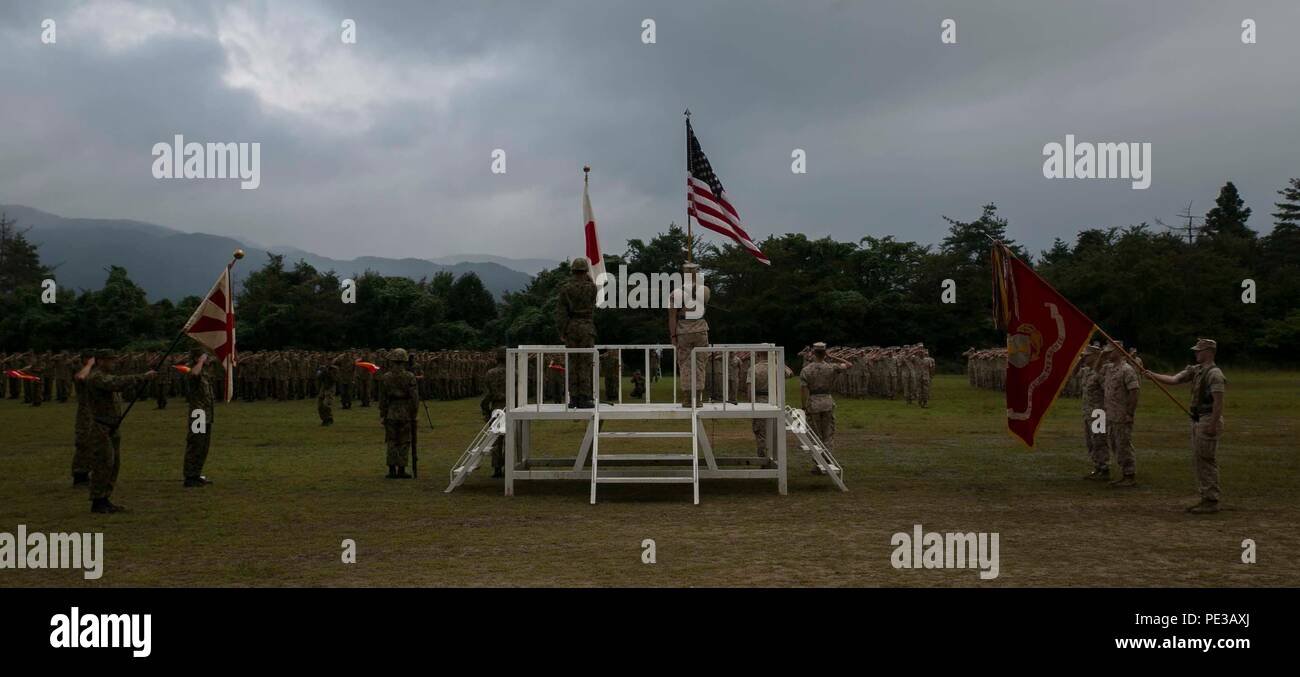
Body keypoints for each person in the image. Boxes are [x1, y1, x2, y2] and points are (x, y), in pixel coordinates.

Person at [1143, 338, 1227, 514]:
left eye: (1199, 350)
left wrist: (1212, 424)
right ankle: (1206, 497)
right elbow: (1174, 380)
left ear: (1209, 352)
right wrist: (1152, 375)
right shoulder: (1196, 370)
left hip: (1207, 419)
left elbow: (1219, 402)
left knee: (1206, 460)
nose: (1196, 352)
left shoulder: (1214, 374)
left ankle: (1211, 500)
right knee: (1198, 460)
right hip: (1197, 419)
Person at [84, 350, 156, 513]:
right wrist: (142, 377)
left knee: (113, 464)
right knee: (103, 463)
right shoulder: (96, 376)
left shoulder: (105, 375)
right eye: (111, 360)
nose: (114, 363)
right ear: (100, 361)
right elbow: (115, 383)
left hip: (112, 426)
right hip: (100, 427)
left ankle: (105, 497)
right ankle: (98, 500)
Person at [799, 342, 850, 474]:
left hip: (813, 402)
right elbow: (849, 364)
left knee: (816, 436)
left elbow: (804, 389)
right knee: (828, 434)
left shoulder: (807, 369)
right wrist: (832, 357)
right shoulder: (831, 367)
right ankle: (828, 462)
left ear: (814, 353)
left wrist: (804, 406)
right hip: (827, 401)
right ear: (825, 353)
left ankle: (817, 464)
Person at [556, 258, 598, 408]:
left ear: (572, 271)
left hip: (572, 327)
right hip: (587, 327)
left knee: (573, 363)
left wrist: (562, 330)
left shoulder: (565, 289)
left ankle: (573, 398)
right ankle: (585, 397)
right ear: (586, 271)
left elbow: (561, 313)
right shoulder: (592, 288)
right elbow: (593, 298)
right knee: (586, 363)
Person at [669, 262, 710, 406]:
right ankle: (698, 398)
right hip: (700, 329)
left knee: (685, 364)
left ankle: (687, 398)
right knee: (700, 364)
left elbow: (672, 317)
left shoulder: (675, 293)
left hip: (683, 330)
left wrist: (673, 337)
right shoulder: (705, 290)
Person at [1102, 341, 1140, 488]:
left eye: (1110, 351)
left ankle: (1129, 475)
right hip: (1111, 414)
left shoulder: (1127, 370)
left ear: (1118, 351)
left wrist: (1130, 413)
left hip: (1122, 415)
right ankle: (1124, 473)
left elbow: (1134, 392)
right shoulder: (1110, 369)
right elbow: (1096, 368)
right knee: (1115, 445)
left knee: (1124, 444)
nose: (1107, 354)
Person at [379, 348, 419, 479]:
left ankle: (391, 469)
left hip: (391, 411)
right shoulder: (409, 376)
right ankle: (401, 469)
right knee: (404, 440)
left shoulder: (386, 377)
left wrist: (383, 414)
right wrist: (414, 413)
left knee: (391, 440)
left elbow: (383, 398)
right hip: (405, 411)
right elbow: (414, 397)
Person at [182, 349, 215, 487]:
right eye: (204, 357)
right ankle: (190, 477)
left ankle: (196, 474)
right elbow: (194, 373)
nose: (207, 359)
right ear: (197, 359)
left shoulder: (205, 373)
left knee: (203, 447)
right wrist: (200, 361)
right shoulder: (192, 370)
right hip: (198, 415)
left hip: (206, 415)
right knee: (195, 445)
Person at [1079, 344, 1110, 480]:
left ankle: (1104, 469)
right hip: (1088, 412)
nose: (1084, 357)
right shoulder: (1086, 371)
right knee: (1090, 441)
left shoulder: (1102, 372)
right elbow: (1072, 375)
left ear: (1095, 356)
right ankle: (1097, 466)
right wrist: (1080, 360)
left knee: (1099, 440)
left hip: (1098, 412)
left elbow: (1108, 392)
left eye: (1086, 355)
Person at [481, 348, 508, 478]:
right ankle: (509, 467)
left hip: (496, 408)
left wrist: (485, 411)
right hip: (510, 408)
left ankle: (497, 468)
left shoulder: (490, 373)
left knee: (496, 439)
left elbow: (486, 396)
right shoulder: (514, 372)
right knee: (510, 440)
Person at [71, 351, 95, 486]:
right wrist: (90, 365)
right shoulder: (83, 371)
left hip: (94, 412)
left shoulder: (93, 373)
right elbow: (80, 377)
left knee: (92, 444)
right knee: (84, 443)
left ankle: (86, 473)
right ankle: (80, 475)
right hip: (85, 414)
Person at [316, 357, 339, 426]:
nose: (329, 362)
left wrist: (328, 372)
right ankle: (324, 419)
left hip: (330, 387)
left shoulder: (335, 369)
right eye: (327, 361)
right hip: (323, 387)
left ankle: (329, 418)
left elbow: (335, 379)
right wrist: (323, 372)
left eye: (330, 361)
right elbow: (318, 377)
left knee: (326, 404)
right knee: (320, 405)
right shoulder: (322, 368)